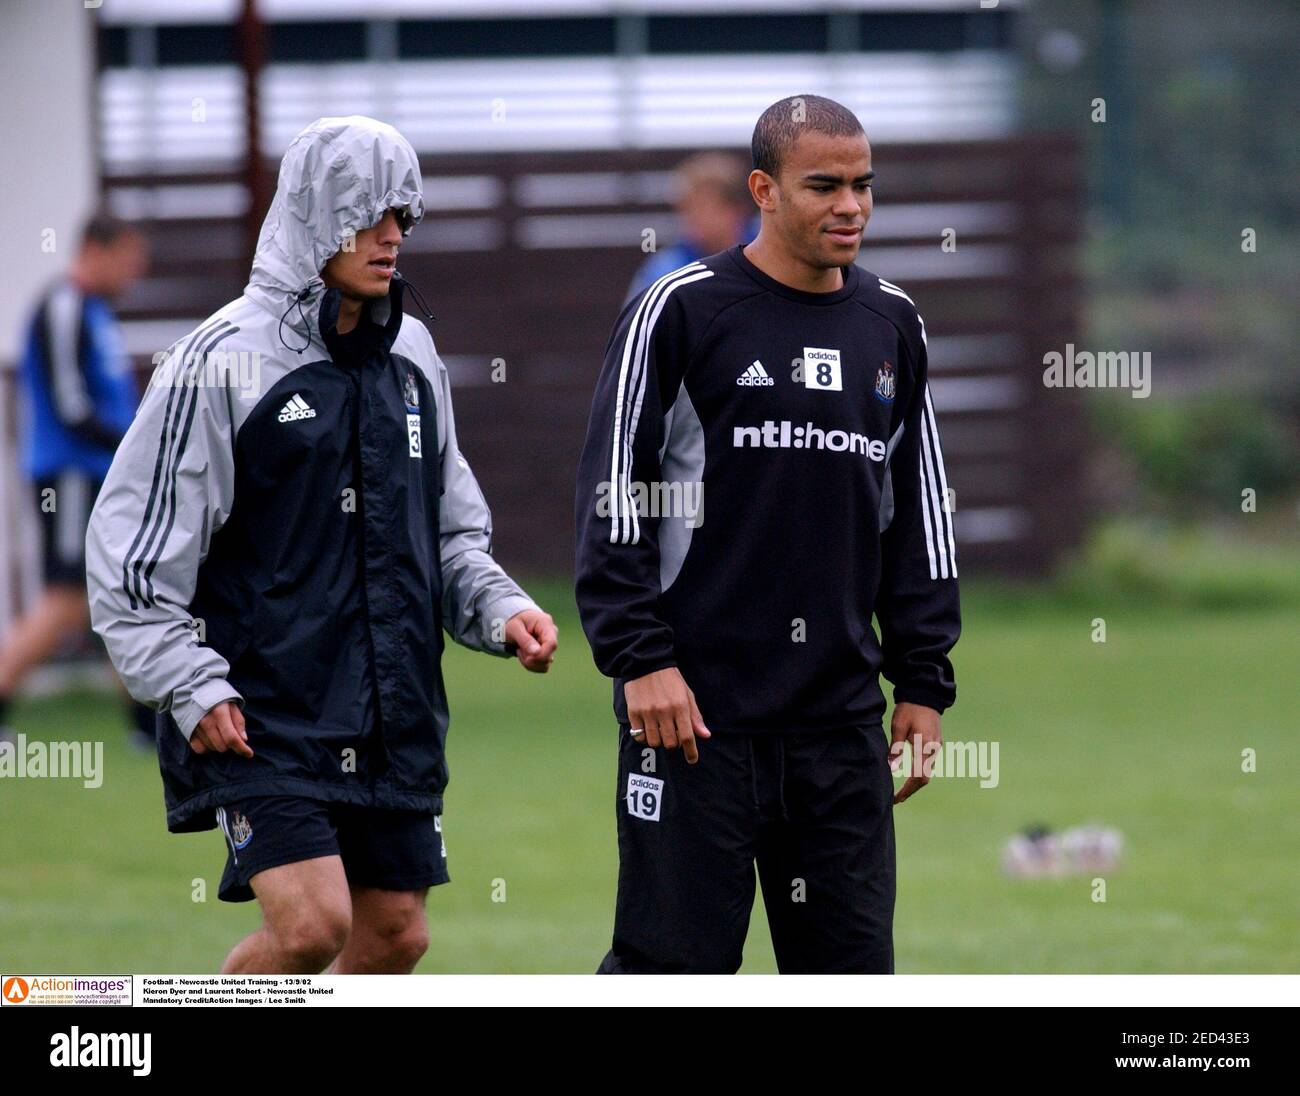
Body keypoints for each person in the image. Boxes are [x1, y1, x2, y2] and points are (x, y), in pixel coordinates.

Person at [86, 115, 557, 974]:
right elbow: (135, 559)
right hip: (259, 710)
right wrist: (189, 683)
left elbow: (451, 530)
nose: (391, 238)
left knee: (396, 937)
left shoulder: (412, 352)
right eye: (368, 216)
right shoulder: (218, 362)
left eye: (402, 218)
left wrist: (501, 607)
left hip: (392, 706)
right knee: (311, 926)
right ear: (311, 216)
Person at [574, 94, 960, 974]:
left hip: (838, 725)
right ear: (764, 190)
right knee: (668, 973)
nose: (851, 206)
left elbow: (919, 512)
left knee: (851, 978)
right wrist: (640, 658)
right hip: (694, 720)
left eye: (863, 185)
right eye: (824, 185)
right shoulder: (678, 309)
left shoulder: (892, 323)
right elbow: (613, 496)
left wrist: (925, 681)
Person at [0, 212, 152, 746]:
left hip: (97, 479)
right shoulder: (63, 305)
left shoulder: (95, 313)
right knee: (66, 599)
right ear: (96, 249)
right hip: (68, 479)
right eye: (129, 258)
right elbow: (70, 406)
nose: (135, 271)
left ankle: (145, 725)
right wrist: (133, 444)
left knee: (109, 592)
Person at [625, 151, 758, 304]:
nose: (690, 217)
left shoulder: (773, 256)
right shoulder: (664, 270)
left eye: (702, 207)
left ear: (736, 210)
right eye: (685, 208)